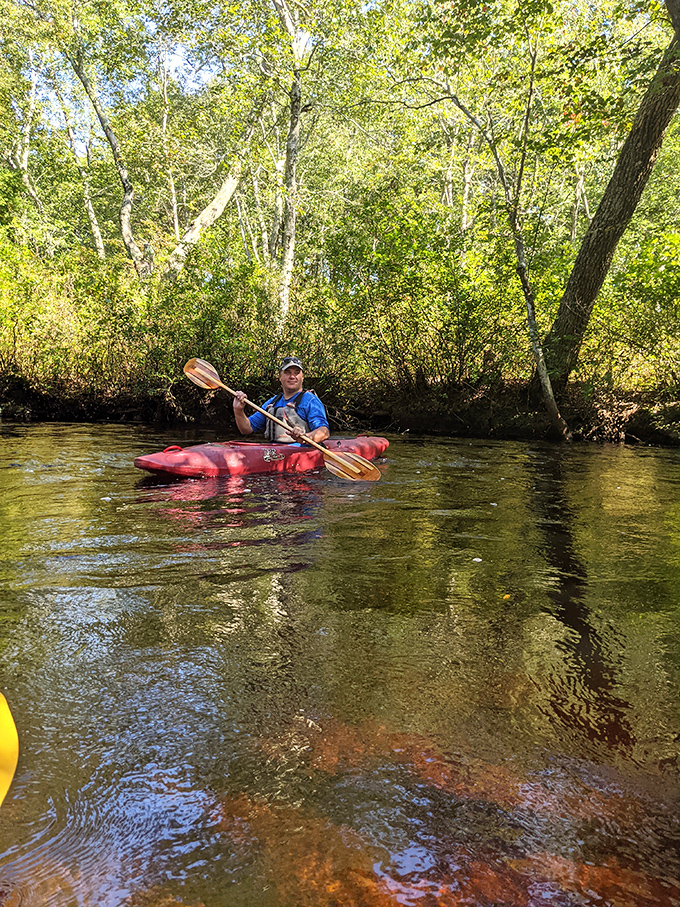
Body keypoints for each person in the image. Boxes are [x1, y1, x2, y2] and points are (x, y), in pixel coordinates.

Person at [232, 356, 330, 444]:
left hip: (300, 456)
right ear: (280, 377)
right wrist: (238, 410)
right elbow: (247, 428)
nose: (292, 376)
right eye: (287, 373)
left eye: (296, 373)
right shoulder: (272, 402)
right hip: (274, 456)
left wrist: (306, 437)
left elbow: (324, 431)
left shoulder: (310, 401)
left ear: (302, 377)